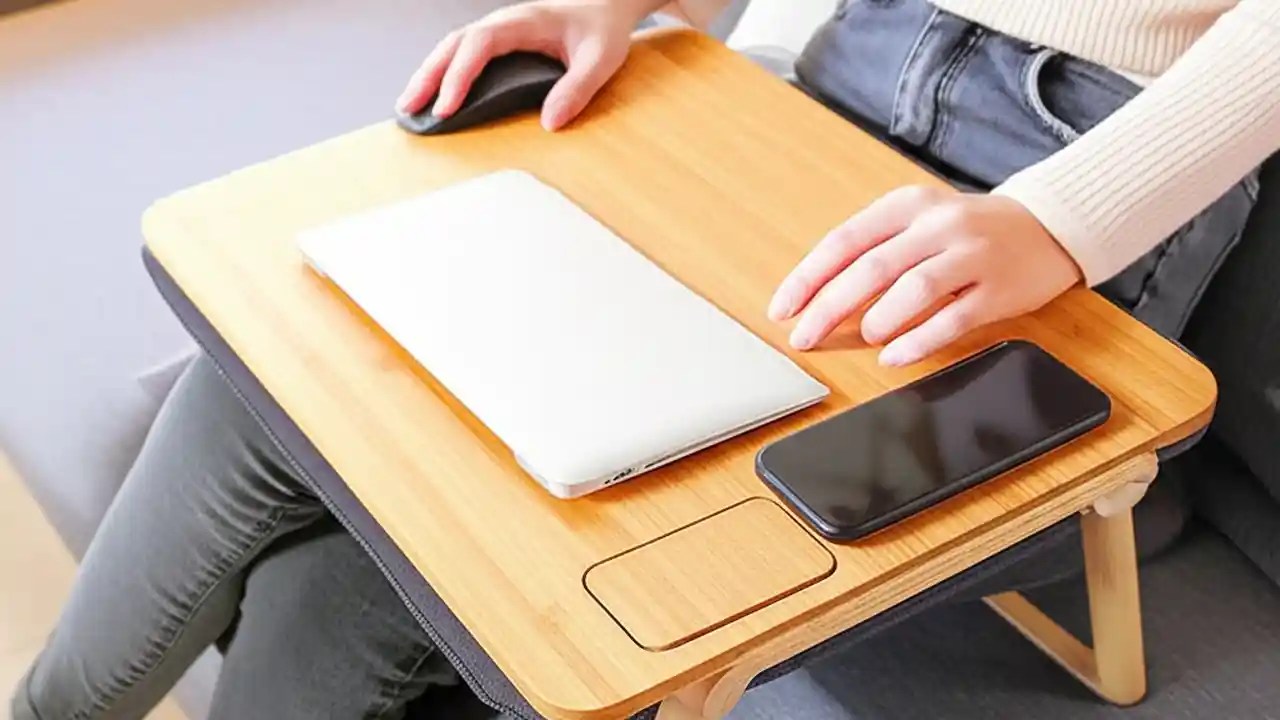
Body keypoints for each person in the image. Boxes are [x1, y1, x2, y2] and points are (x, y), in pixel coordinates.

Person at [15, 1, 1279, 718]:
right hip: (847, 55)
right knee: (291, 363)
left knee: (362, 578)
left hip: (1090, 143)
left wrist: (1065, 218)